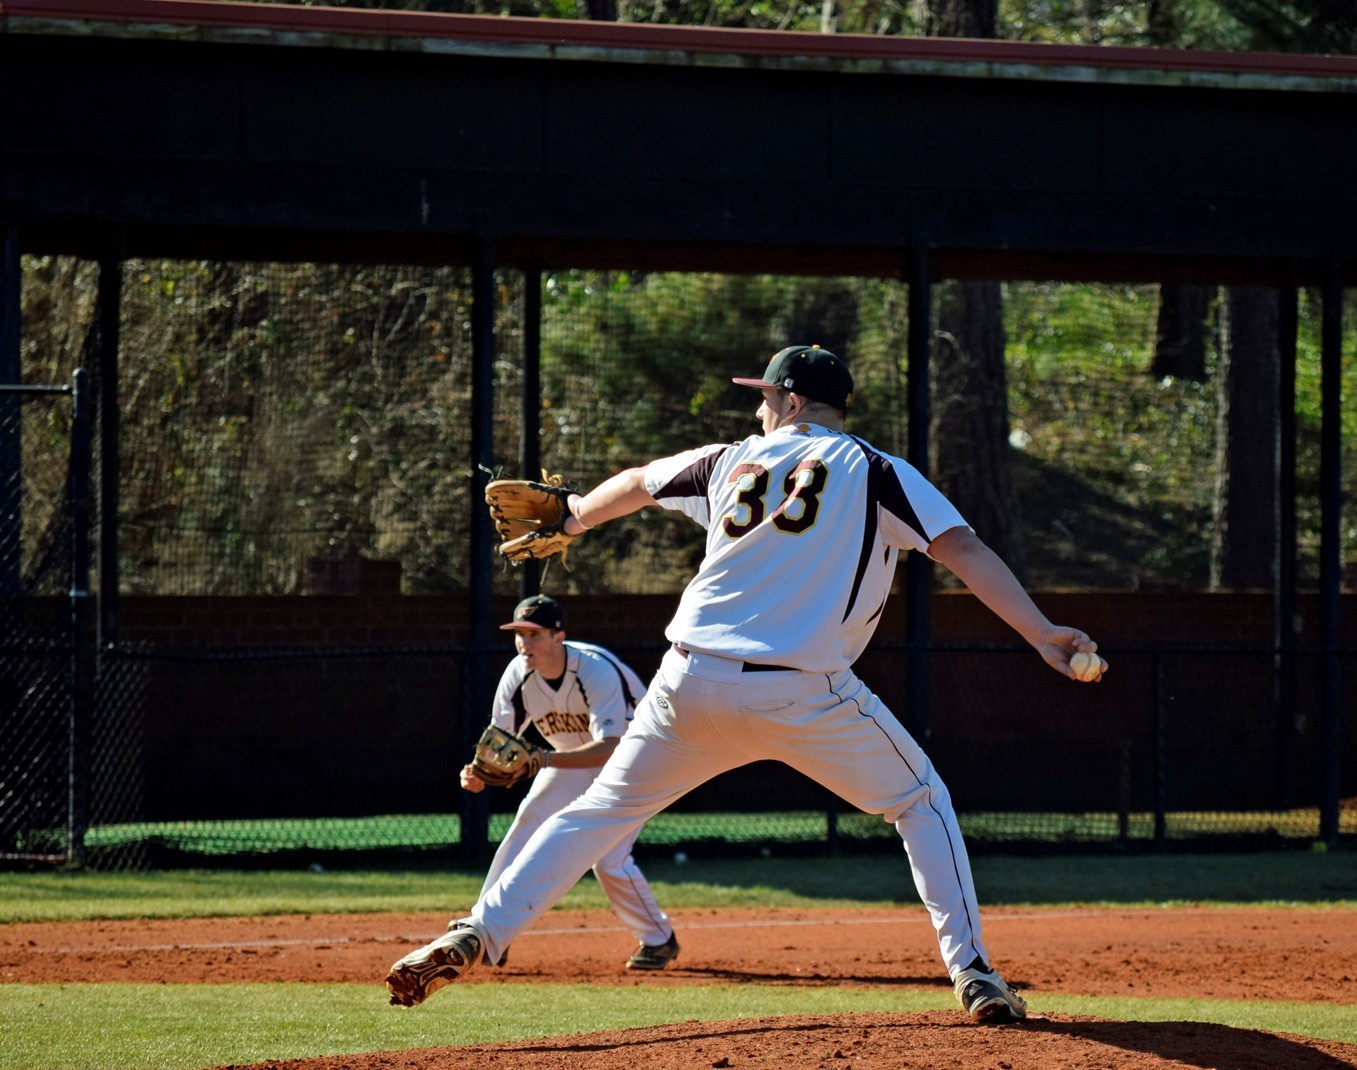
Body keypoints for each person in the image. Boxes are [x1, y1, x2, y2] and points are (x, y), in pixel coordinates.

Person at [387, 345, 1101, 1023]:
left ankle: (479, 932)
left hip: (686, 684)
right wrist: (1042, 633)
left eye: (764, 396)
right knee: (921, 800)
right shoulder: (879, 471)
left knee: (595, 814)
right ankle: (973, 970)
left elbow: (638, 484)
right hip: (803, 692)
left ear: (791, 398)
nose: (759, 409)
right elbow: (961, 548)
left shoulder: (730, 460)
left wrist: (572, 516)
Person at [460, 594, 677, 971]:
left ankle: (659, 941)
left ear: (558, 637)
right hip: (569, 757)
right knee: (526, 825)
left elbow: (612, 747)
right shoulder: (518, 672)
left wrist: (543, 759)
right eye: (519, 634)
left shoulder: (594, 670)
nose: (524, 643)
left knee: (608, 859)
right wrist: (477, 771)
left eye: (534, 634)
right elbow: (499, 738)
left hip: (638, 762)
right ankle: (486, 933)